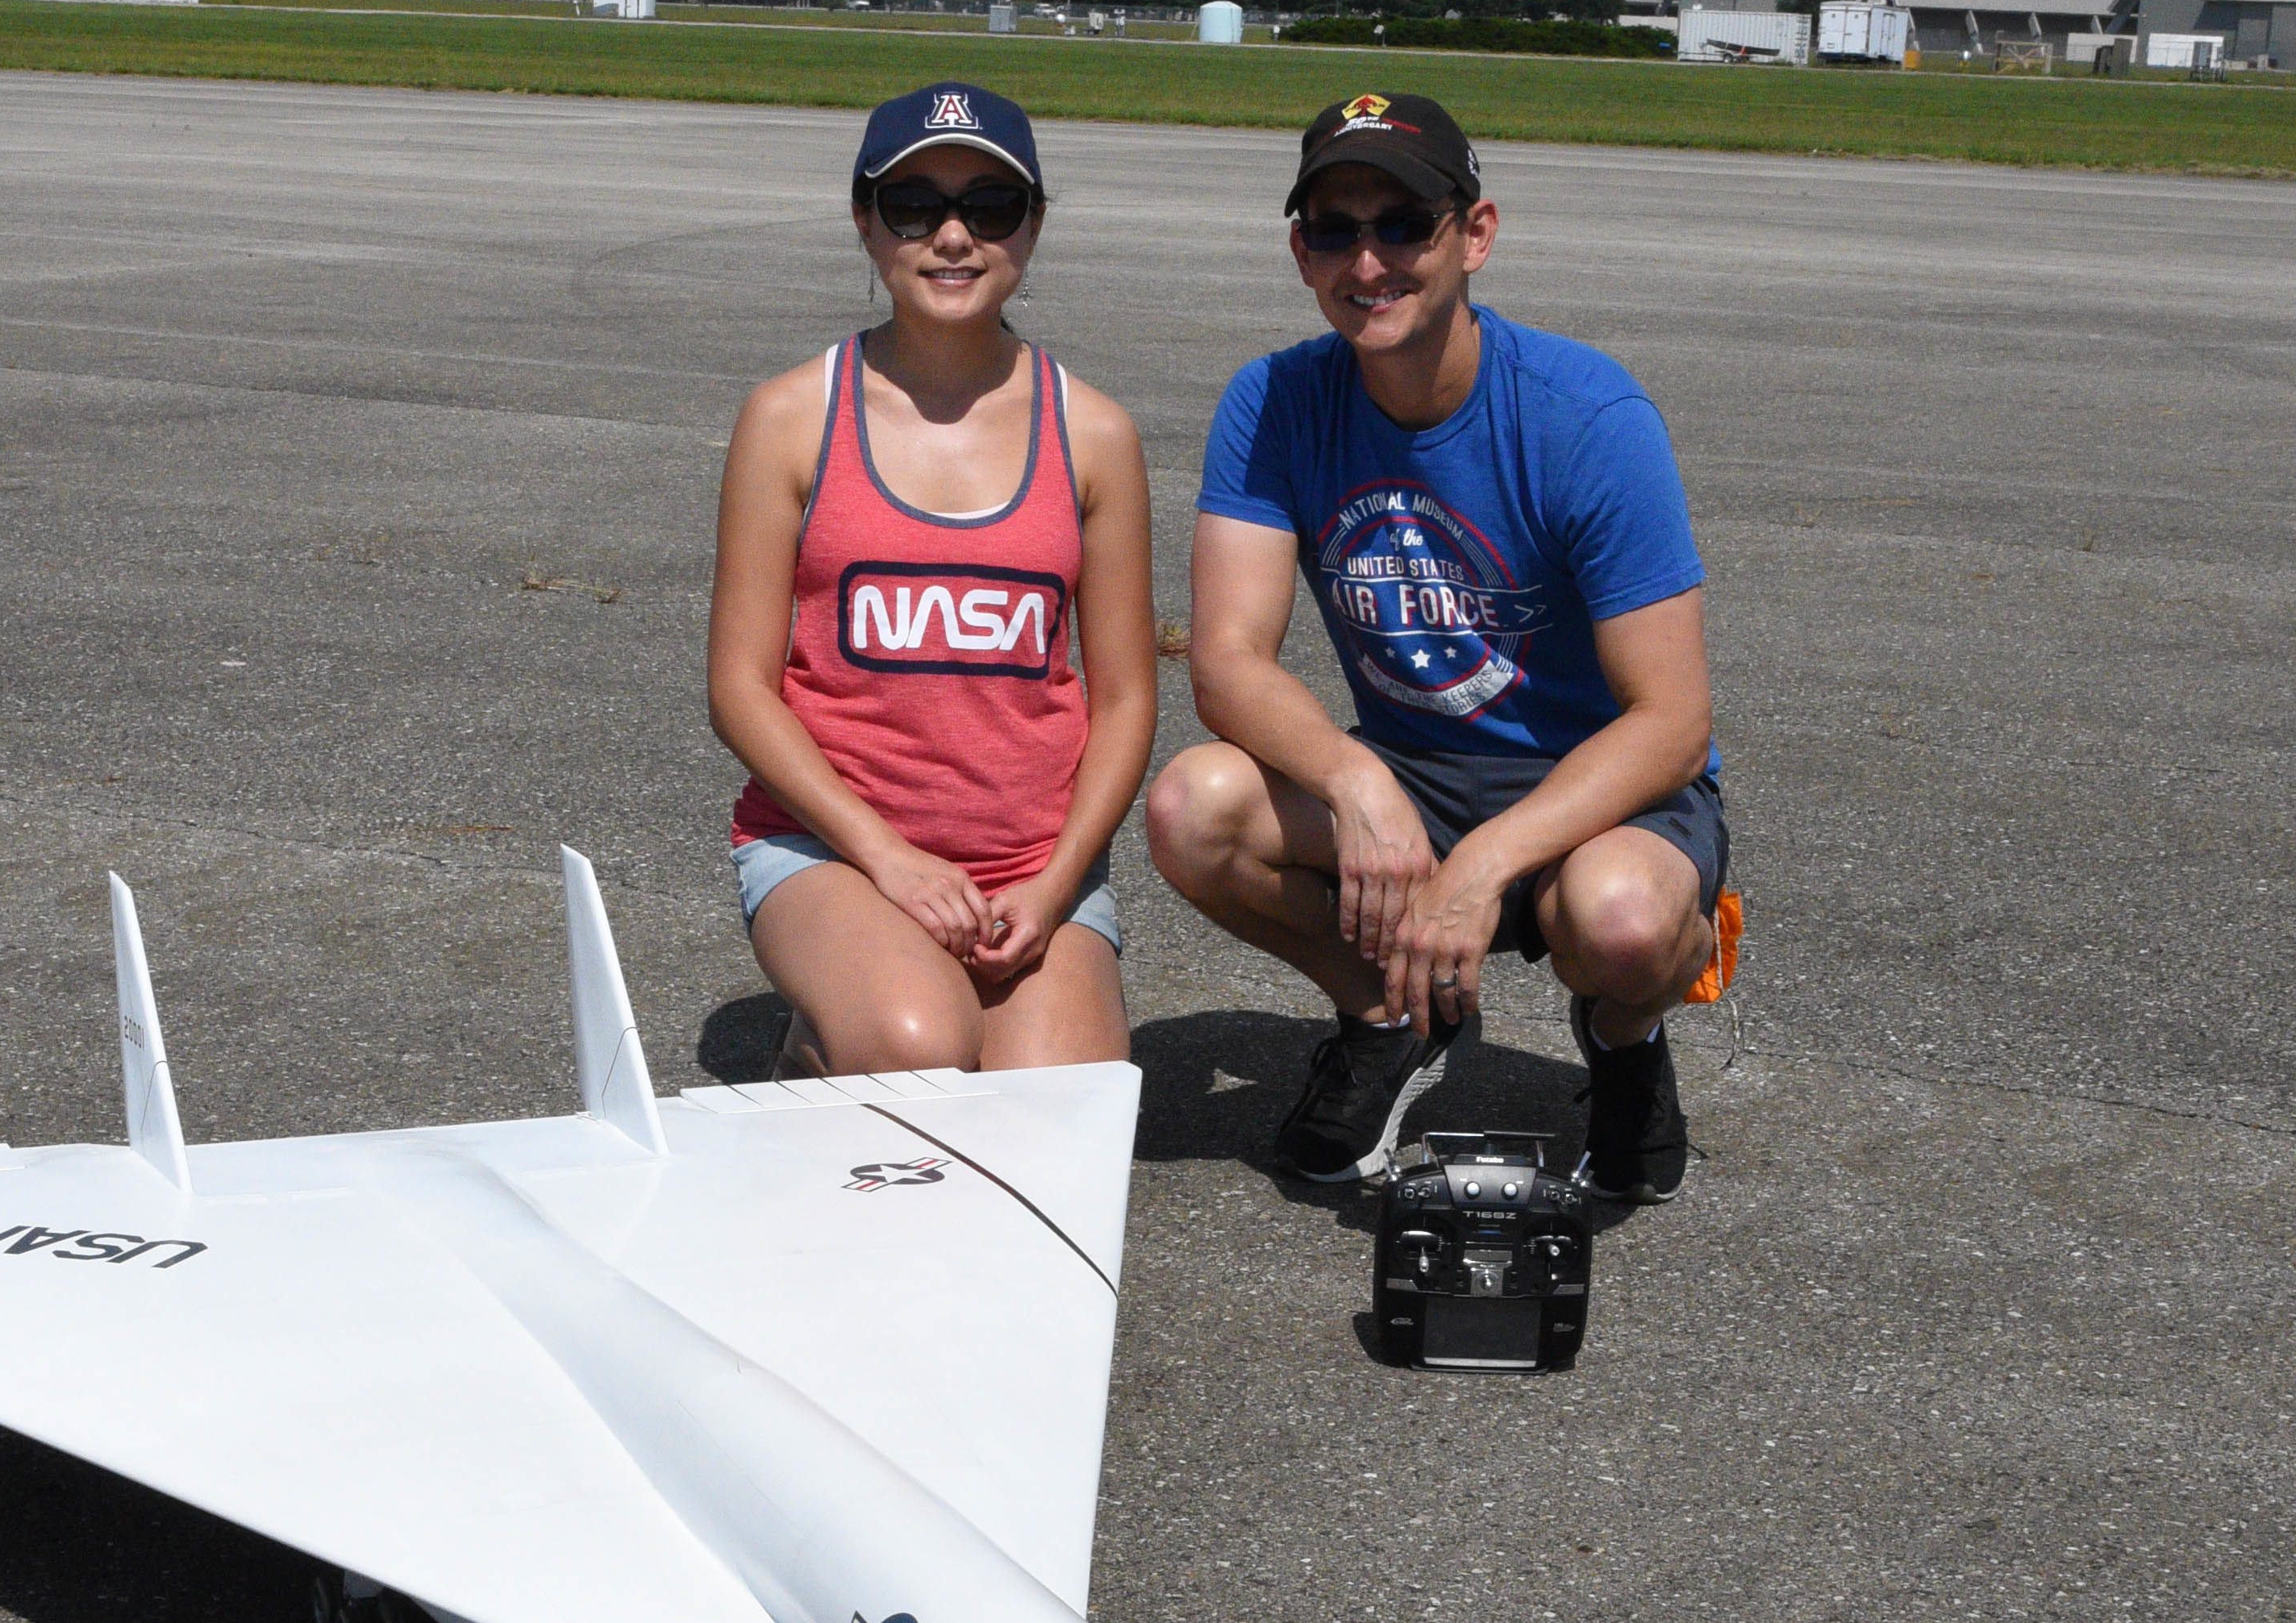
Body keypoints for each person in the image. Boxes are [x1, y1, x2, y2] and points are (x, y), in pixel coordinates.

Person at [1145, 85, 1727, 1196]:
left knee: (1620, 921)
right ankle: (1391, 1017)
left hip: (1593, 784)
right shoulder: (1273, 401)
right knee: (1193, 810)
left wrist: (1485, 864)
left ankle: (1627, 1040)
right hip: (1414, 768)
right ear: (1301, 252)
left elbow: (1671, 721)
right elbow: (1226, 660)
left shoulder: (1586, 415)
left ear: (1476, 234)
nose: (1368, 262)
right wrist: (1355, 779)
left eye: (1405, 225)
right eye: (1334, 230)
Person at [708, 81, 1156, 1073]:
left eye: (990, 207)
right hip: (833, 848)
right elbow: (739, 689)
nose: (953, 236)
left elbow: (1126, 700)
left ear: (1032, 226)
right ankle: (837, 1030)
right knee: (919, 1046)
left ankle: (890, 1011)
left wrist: (1056, 883)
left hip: (1029, 864)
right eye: (913, 206)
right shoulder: (788, 418)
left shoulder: (1094, 433)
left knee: (1053, 1115)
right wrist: (887, 859)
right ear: (864, 220)